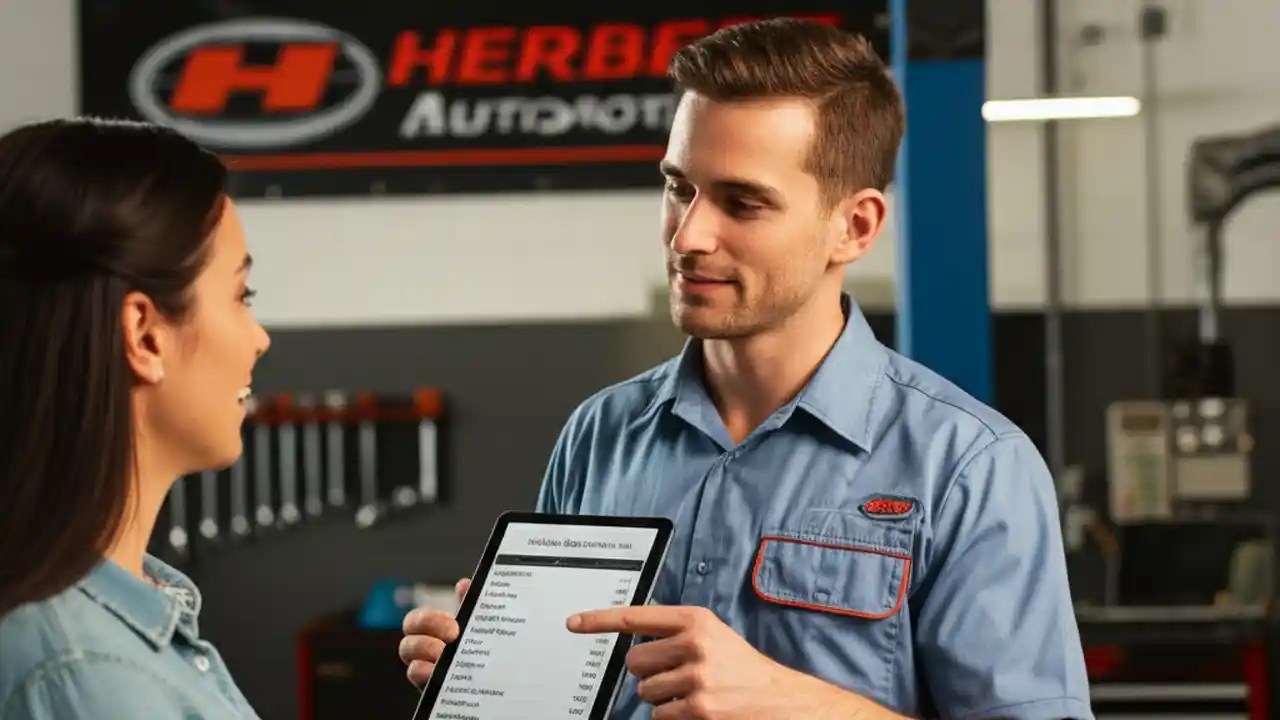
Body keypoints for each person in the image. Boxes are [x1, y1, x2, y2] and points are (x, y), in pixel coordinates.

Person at [401, 17, 1092, 720]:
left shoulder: (969, 467)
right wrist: (491, 685)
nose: (689, 235)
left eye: (743, 203)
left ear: (854, 226)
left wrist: (792, 704)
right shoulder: (601, 434)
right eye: (680, 188)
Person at [0, 117, 270, 718]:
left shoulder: (114, 625)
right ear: (144, 335)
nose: (260, 338)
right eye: (241, 296)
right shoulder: (86, 678)